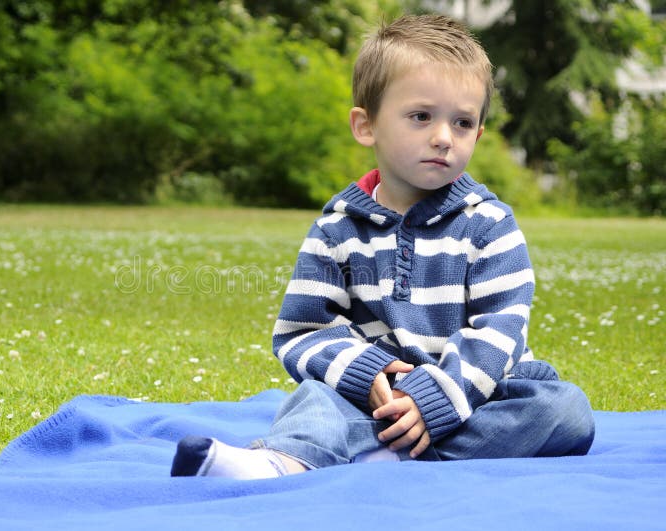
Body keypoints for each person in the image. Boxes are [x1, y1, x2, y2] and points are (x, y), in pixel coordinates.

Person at [170, 13, 595, 479]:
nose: (442, 137)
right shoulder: (337, 230)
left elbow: (500, 330)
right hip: (379, 401)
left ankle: (380, 456)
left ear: (478, 134)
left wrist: (436, 398)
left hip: (475, 395)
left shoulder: (490, 224)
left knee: (564, 409)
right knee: (314, 399)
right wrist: (366, 372)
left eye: (462, 123)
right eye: (421, 116)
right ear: (366, 126)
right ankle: (283, 460)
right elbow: (303, 329)